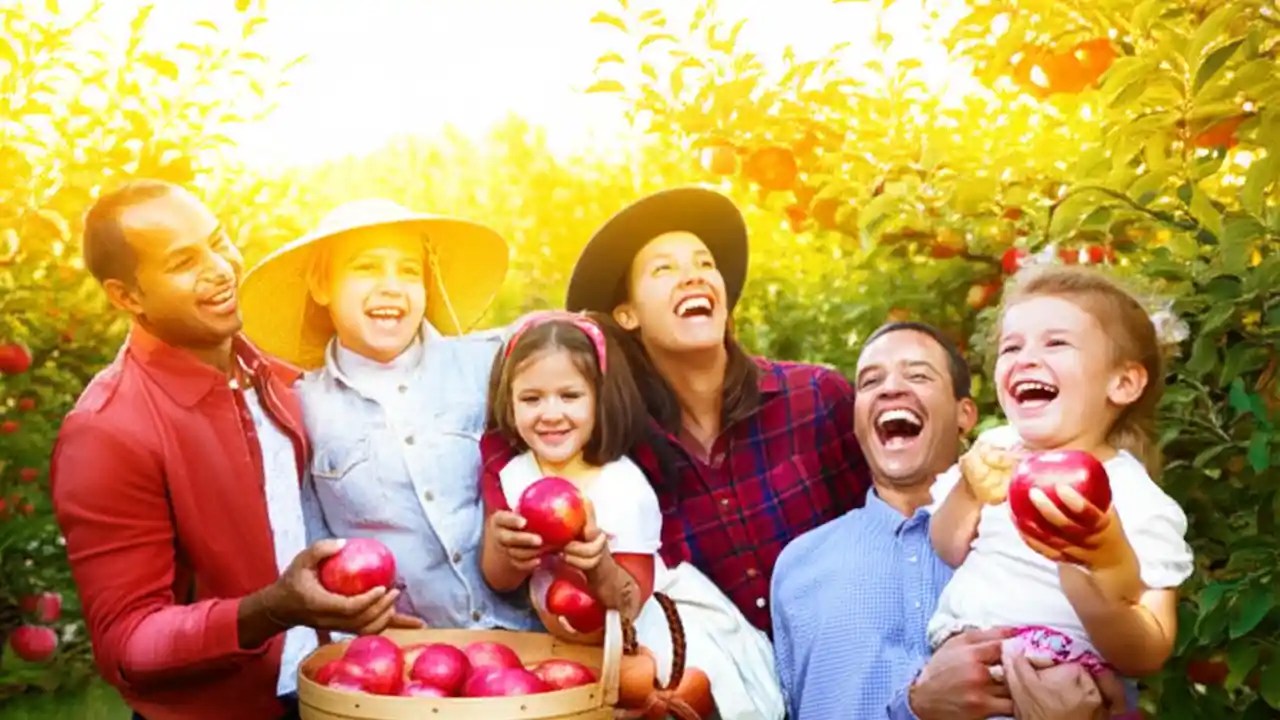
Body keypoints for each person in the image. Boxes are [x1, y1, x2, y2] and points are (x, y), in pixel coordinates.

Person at [50, 181, 420, 720]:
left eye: (219, 242)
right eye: (183, 261)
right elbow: (126, 643)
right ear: (127, 296)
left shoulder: (284, 378)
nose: (221, 268)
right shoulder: (108, 430)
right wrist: (270, 610)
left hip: (328, 688)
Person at [483, 187, 871, 634]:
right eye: (664, 269)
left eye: (705, 264)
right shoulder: (612, 438)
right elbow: (509, 440)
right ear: (627, 314)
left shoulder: (817, 399)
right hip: (710, 688)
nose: (693, 276)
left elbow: (893, 525)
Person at [772, 320, 1128, 720]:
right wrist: (915, 706)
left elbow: (1112, 691)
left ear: (965, 414)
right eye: (870, 382)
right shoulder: (797, 568)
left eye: (918, 375)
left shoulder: (1042, 532)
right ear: (856, 421)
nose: (890, 388)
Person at [238, 198, 539, 632]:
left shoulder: (488, 367)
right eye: (367, 268)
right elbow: (311, 539)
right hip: (399, 661)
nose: (392, 286)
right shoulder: (303, 408)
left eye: (410, 271)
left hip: (521, 639)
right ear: (322, 285)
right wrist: (346, 616)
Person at [479, 311, 784, 720]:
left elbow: (631, 601)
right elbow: (498, 579)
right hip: (577, 645)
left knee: (667, 704)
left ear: (599, 399)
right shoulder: (514, 477)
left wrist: (599, 567)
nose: (550, 413)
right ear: (509, 402)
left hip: (644, 635)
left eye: (570, 396)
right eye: (531, 399)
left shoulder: (621, 485)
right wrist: (505, 553)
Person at [928, 266, 1193, 714]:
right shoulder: (995, 450)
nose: (1024, 358)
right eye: (1011, 347)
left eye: (1056, 342)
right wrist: (968, 493)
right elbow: (948, 546)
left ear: (1123, 383)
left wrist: (1098, 570)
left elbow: (1148, 650)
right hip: (965, 677)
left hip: (1056, 688)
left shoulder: (1136, 499)